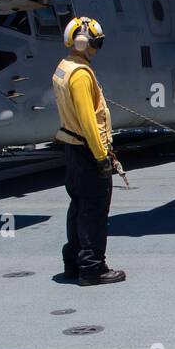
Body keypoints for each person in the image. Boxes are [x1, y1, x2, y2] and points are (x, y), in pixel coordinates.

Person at [53, 16, 126, 285]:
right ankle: (93, 268)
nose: (97, 48)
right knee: (94, 210)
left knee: (78, 207)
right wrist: (101, 156)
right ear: (84, 43)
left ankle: (73, 262)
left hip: (72, 150)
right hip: (86, 151)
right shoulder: (81, 75)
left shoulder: (64, 67)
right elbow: (88, 121)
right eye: (97, 43)